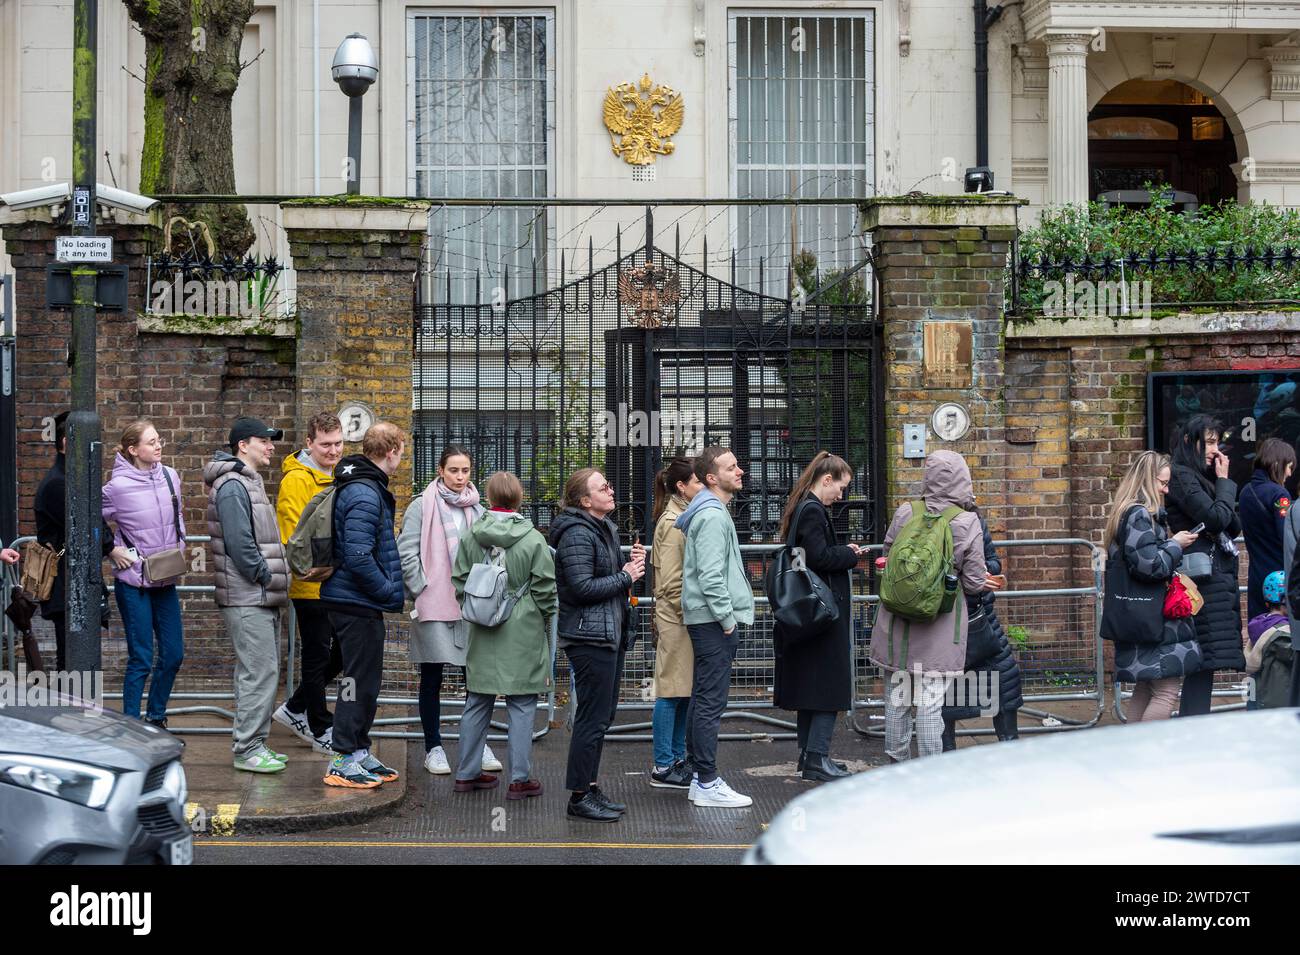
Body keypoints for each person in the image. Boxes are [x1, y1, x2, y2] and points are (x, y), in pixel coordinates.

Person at [870, 450, 987, 761]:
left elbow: (887, 558)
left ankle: (896, 767)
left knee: (898, 701)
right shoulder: (966, 521)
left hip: (896, 626)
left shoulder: (905, 513)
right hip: (939, 628)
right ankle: (928, 774)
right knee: (929, 704)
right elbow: (975, 583)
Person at [450, 471, 557, 799]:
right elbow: (545, 588)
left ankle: (466, 774)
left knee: (477, 701)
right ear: (519, 498)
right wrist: (541, 615)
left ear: (490, 498)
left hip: (482, 628)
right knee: (522, 704)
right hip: (522, 628)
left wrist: (478, 607)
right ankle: (519, 779)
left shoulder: (472, 535)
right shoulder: (533, 539)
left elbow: (459, 580)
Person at [397, 445, 501, 776]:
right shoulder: (421, 506)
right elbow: (407, 552)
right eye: (453, 470)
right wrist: (421, 588)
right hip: (435, 601)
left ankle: (476, 743)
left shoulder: (478, 510)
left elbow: (491, 552)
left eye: (465, 471)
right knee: (432, 676)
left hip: (471, 603)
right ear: (441, 470)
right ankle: (434, 747)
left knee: (478, 677)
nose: (459, 477)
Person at [549, 468, 644, 822]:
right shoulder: (576, 533)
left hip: (608, 634)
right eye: (602, 487)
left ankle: (589, 786)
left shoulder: (602, 528)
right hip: (588, 637)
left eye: (609, 482)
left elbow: (603, 578)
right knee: (591, 718)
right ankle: (578, 797)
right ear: (585, 501)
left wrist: (629, 567)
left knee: (603, 717)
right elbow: (580, 588)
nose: (611, 488)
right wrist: (625, 576)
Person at [319, 422, 406, 789]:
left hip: (355, 600)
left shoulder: (364, 487)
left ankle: (357, 751)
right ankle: (341, 757)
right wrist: (387, 590)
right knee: (356, 680)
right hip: (354, 601)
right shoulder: (365, 494)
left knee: (365, 679)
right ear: (392, 452)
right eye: (401, 450)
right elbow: (357, 556)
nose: (402, 456)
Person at [203, 417, 291, 773]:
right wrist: (266, 576)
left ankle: (253, 743)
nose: (271, 447)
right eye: (264, 440)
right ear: (243, 445)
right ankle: (248, 748)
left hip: (257, 594)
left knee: (256, 671)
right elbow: (241, 546)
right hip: (248, 595)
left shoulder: (246, 482)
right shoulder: (233, 486)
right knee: (260, 671)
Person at [772, 452, 862, 782]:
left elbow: (800, 561)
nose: (842, 495)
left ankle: (809, 756)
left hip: (808, 613)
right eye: (841, 487)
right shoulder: (812, 511)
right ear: (827, 480)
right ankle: (817, 758)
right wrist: (850, 555)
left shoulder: (800, 508)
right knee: (827, 690)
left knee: (812, 689)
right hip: (824, 616)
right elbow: (818, 558)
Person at [678, 447, 754, 808]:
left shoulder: (711, 512)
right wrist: (727, 619)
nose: (740, 471)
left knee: (702, 698)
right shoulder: (711, 516)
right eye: (731, 467)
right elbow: (710, 576)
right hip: (713, 621)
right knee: (710, 701)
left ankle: (699, 777)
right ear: (712, 477)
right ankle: (707, 782)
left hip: (708, 619)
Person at [1104, 451, 1201, 721]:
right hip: (1151, 618)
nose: (1166, 489)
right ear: (1147, 480)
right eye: (1163, 482)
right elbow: (1149, 566)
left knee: (1147, 686)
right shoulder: (1139, 515)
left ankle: (1134, 752)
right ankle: (1145, 754)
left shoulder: (1128, 512)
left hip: (1139, 616)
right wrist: (1174, 544)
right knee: (1166, 690)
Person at [101, 420, 187, 727]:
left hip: (165, 578)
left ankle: (156, 718)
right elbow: (89, 518)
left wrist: (182, 542)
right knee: (141, 658)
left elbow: (178, 517)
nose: (159, 445)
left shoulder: (170, 476)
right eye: (151, 442)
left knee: (174, 654)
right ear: (133, 450)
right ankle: (130, 727)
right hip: (133, 582)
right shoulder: (116, 488)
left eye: (159, 439)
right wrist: (110, 548)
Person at [272, 411, 346, 754]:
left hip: (335, 581)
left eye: (338, 443)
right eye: (326, 445)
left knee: (342, 653)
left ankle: (294, 707)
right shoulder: (296, 481)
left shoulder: (340, 476)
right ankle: (319, 726)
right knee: (316, 655)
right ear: (309, 443)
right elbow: (295, 536)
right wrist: (319, 568)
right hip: (311, 583)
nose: (333, 451)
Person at [1164, 415, 1245, 716]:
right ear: (1190, 441)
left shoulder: (1201, 479)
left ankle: (1194, 725)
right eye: (1209, 441)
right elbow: (1216, 519)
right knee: (1201, 660)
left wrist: (1220, 486)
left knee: (1205, 661)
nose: (1215, 449)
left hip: (1214, 577)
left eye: (1217, 442)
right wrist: (1224, 483)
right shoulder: (1182, 476)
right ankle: (1192, 727)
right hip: (1202, 579)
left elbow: (1231, 523)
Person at [941, 506, 1022, 749]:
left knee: (1005, 678)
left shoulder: (975, 519)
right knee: (944, 690)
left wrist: (985, 571)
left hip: (981, 617)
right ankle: (945, 756)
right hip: (944, 620)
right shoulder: (927, 519)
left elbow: (993, 561)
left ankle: (1010, 747)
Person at [647, 457, 701, 789]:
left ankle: (676, 759)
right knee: (670, 691)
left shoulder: (678, 517)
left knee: (682, 691)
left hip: (677, 616)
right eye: (697, 482)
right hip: (676, 618)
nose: (703, 487)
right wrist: (690, 612)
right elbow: (669, 580)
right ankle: (664, 765)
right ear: (682, 487)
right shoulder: (673, 522)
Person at [1239, 437, 1295, 620]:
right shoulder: (1279, 494)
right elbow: (1287, 536)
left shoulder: (1246, 491)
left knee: (1261, 630)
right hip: (1280, 578)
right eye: (1289, 467)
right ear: (1278, 463)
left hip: (1257, 577)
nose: (1290, 474)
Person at [1245, 571, 1292, 709]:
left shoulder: (1259, 624)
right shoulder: (1283, 633)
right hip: (1278, 703)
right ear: (1285, 600)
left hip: (1258, 698)